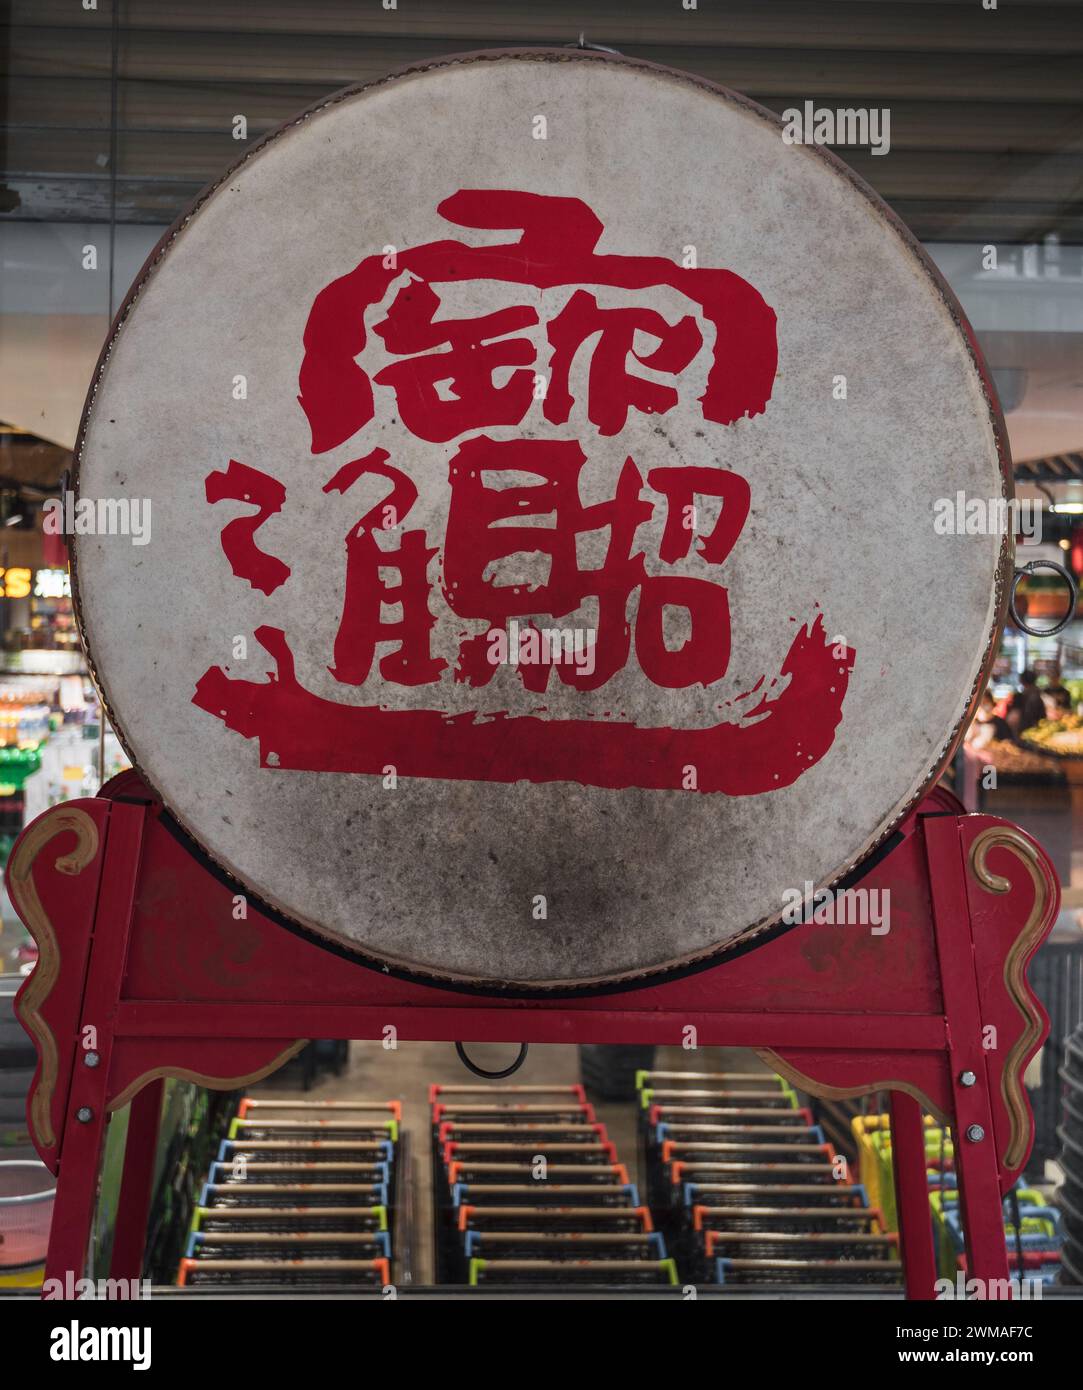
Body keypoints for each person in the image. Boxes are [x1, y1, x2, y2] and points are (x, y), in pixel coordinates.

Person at [1007, 669, 1047, 737]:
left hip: (1023, 734)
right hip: (1039, 733)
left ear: (1021, 681)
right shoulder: (1044, 696)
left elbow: (1012, 719)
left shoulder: (1018, 697)